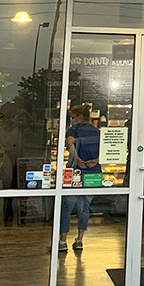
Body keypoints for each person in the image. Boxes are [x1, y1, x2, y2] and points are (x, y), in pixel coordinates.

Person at [58, 103, 101, 252]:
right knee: (85, 206)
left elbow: (70, 143)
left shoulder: (73, 130)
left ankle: (62, 242)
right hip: (93, 171)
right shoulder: (97, 131)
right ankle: (79, 240)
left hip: (77, 170)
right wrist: (96, 160)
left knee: (67, 205)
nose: (73, 120)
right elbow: (105, 149)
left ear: (80, 117)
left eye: (74, 117)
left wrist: (77, 159)